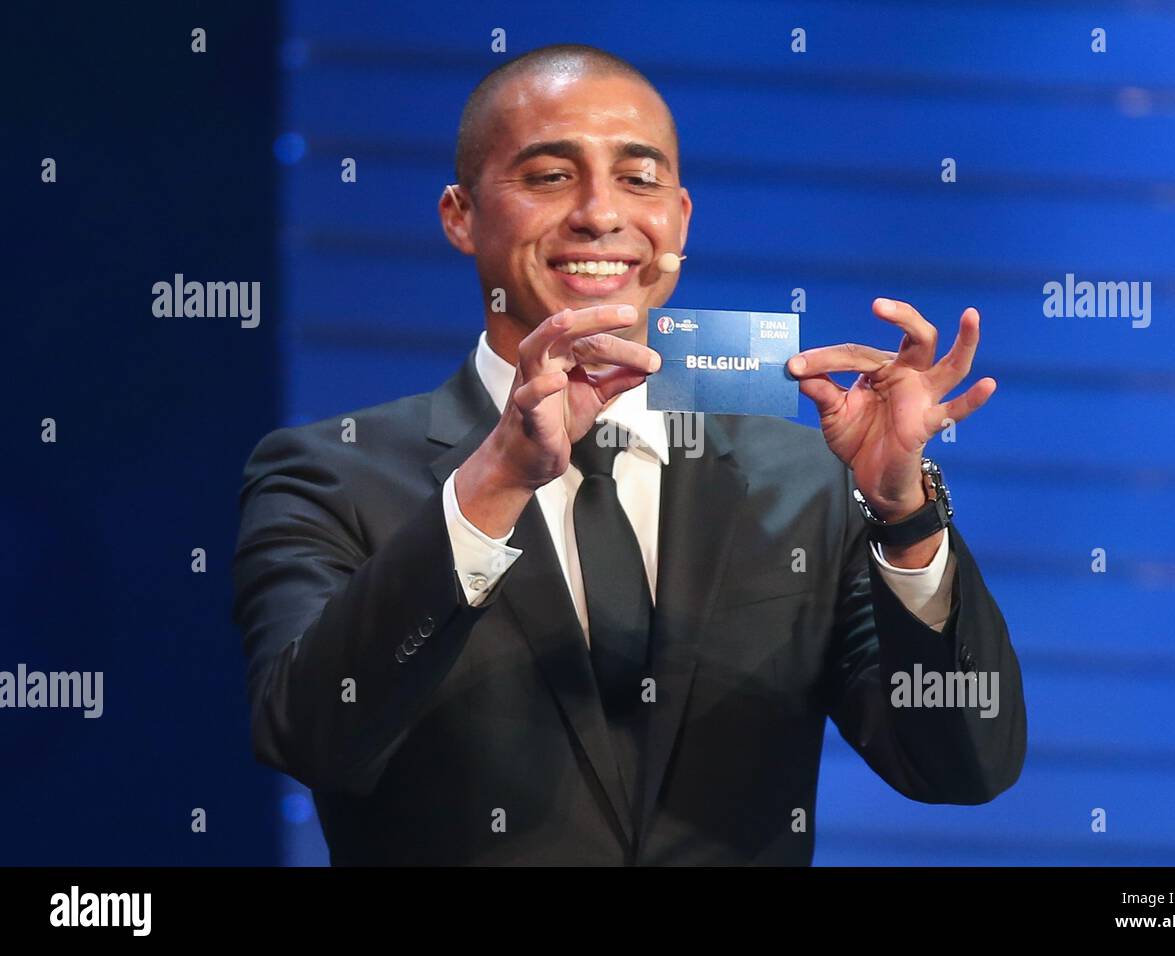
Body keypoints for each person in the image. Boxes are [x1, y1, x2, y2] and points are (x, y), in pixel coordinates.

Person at [233, 44, 1026, 865]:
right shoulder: (329, 474)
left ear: (680, 218)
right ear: (460, 215)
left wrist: (907, 520)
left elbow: (963, 765)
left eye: (638, 179)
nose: (599, 214)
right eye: (548, 176)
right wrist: (495, 481)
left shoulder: (802, 482)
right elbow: (311, 737)